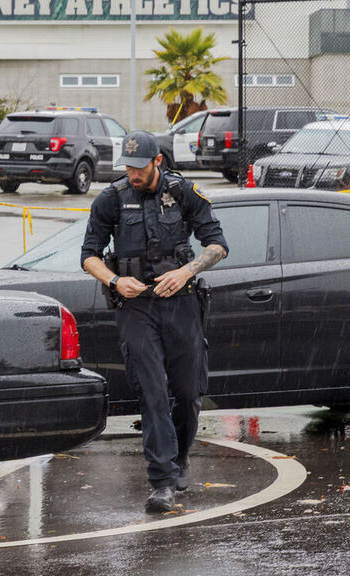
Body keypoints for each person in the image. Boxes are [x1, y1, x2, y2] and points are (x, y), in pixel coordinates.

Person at [80, 130, 228, 513]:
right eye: (127, 167)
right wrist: (113, 280)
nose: (132, 173)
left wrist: (187, 272)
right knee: (152, 393)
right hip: (137, 306)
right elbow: (88, 256)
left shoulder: (184, 193)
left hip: (181, 303)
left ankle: (179, 459)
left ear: (157, 161)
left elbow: (217, 245)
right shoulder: (111, 198)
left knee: (189, 392)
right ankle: (161, 481)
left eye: (139, 167)